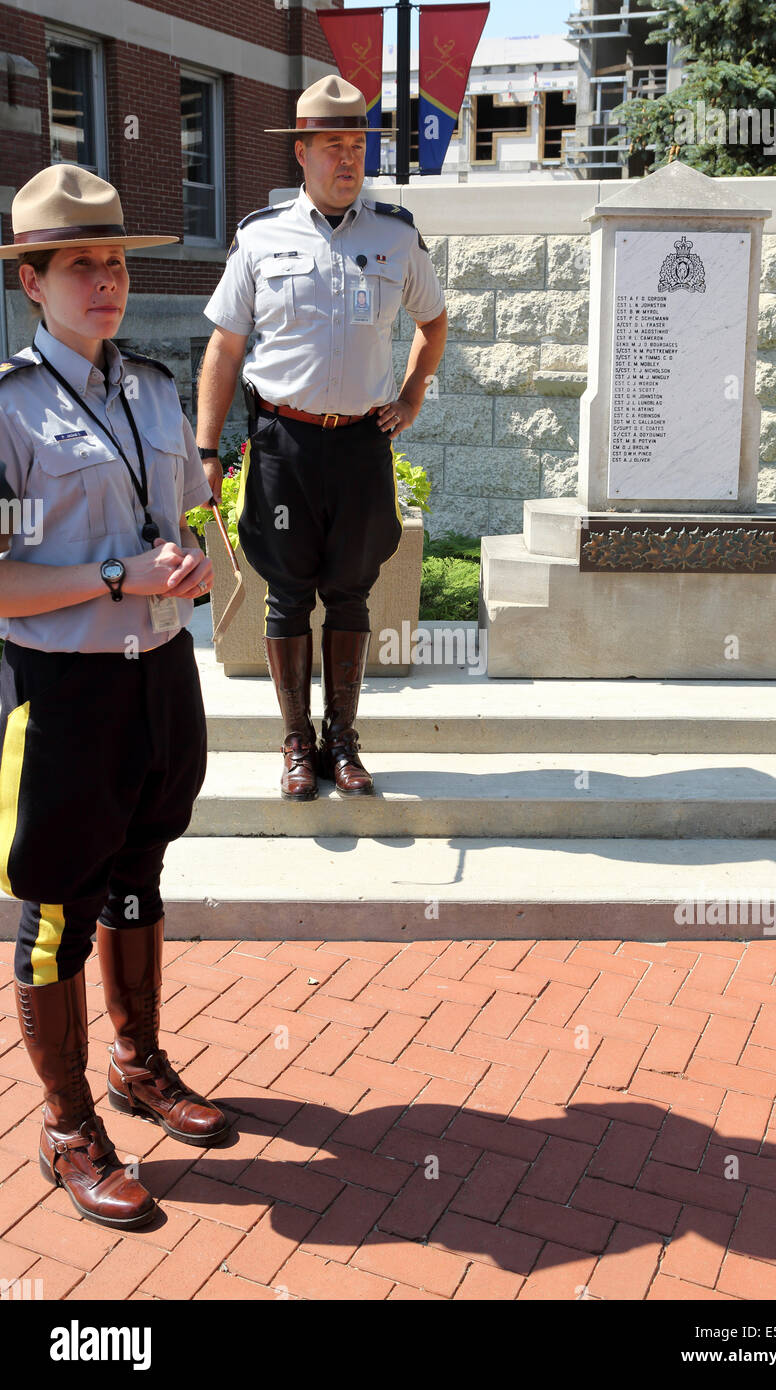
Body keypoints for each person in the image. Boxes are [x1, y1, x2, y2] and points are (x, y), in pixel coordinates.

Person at [0, 164, 230, 1231]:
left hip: (159, 676)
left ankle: (139, 1064)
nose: (105, 281)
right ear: (32, 284)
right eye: (78, 265)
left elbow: (179, 521)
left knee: (141, 866)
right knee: (55, 907)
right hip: (60, 692)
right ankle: (65, 1127)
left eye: (115, 262)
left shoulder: (151, 385)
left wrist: (185, 562)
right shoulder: (7, 408)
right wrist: (111, 578)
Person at [196, 74, 447, 802]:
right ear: (300, 152)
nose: (348, 158)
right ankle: (296, 744)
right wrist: (207, 453)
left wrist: (410, 395)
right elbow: (223, 349)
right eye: (332, 145)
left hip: (362, 447)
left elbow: (433, 324)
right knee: (285, 594)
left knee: (352, 592)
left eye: (358, 144)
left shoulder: (396, 236)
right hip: (284, 447)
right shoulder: (258, 237)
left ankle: (343, 742)